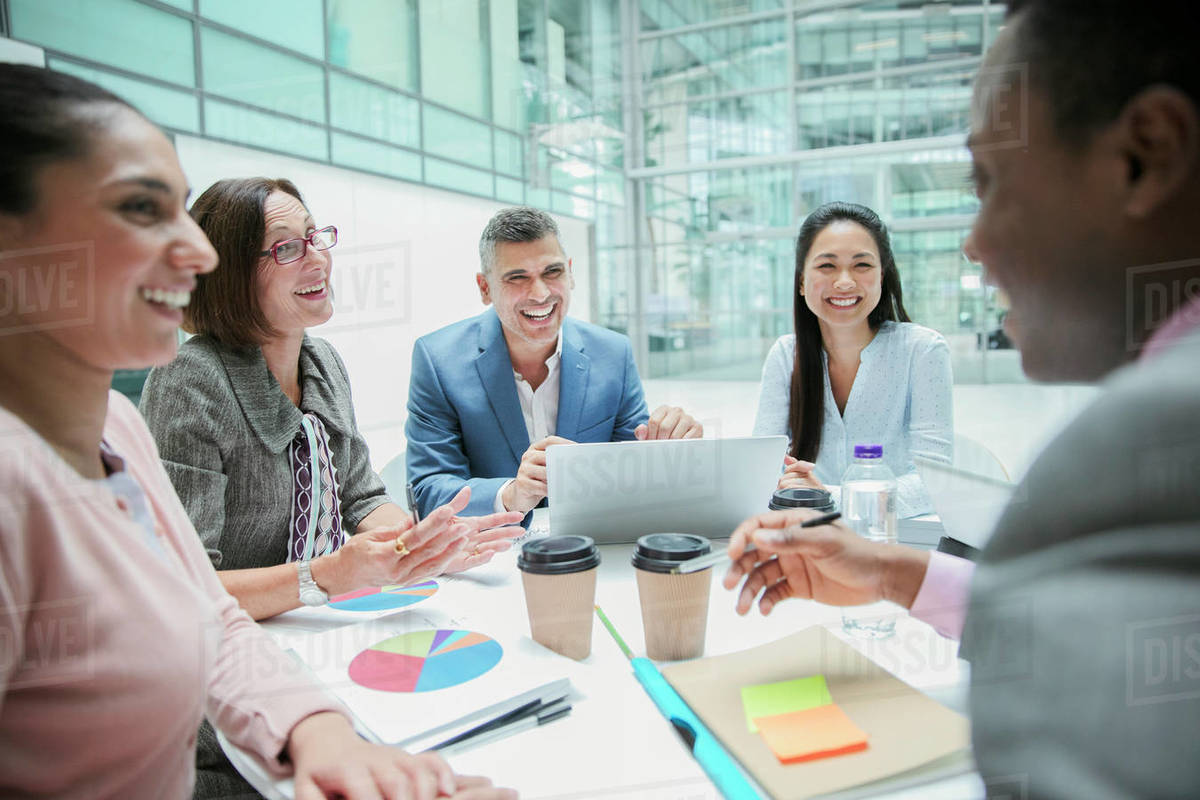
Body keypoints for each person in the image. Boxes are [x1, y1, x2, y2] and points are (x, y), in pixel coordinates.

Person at [724, 1, 1200, 796]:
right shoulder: (787, 355)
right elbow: (1110, 632)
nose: (974, 244)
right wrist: (889, 570)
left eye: (991, 180)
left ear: (1145, 156)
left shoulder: (1153, 433)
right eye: (825, 268)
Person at [0, 64, 512, 800]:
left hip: (309, 679)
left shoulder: (115, 425)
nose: (197, 254)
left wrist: (325, 737)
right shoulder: (170, 392)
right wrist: (330, 578)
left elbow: (207, 616)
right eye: (142, 209)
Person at [138, 177, 524, 797]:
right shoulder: (191, 382)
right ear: (232, 274)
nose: (318, 256)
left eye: (316, 237)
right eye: (287, 248)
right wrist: (327, 576)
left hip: (313, 652)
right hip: (227, 707)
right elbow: (190, 592)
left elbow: (363, 496)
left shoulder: (322, 363)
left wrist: (424, 541)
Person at [405, 207, 703, 520]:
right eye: (517, 278)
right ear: (485, 288)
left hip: (590, 544)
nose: (541, 293)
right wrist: (510, 494)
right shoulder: (438, 360)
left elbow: (633, 472)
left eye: (553, 272)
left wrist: (670, 449)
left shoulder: (614, 354)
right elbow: (428, 490)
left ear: (570, 273)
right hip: (492, 553)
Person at [752, 202, 953, 518]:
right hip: (807, 541)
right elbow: (761, 470)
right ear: (802, 281)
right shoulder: (784, 356)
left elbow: (936, 484)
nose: (844, 282)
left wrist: (826, 497)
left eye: (862, 265)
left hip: (893, 544)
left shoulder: (922, 350)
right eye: (826, 266)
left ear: (882, 276)